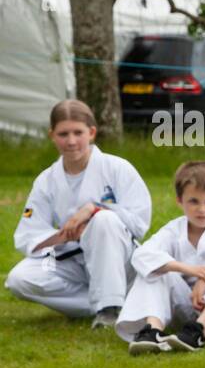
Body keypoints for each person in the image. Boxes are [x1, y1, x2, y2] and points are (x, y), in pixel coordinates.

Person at [7, 99, 151, 329]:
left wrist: (94, 209)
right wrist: (64, 235)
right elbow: (28, 234)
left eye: (78, 132)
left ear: (92, 133)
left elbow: (139, 223)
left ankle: (110, 310)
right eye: (63, 134)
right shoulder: (47, 180)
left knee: (103, 220)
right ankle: (108, 301)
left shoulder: (117, 168)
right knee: (20, 279)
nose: (71, 141)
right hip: (71, 258)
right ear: (52, 135)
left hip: (119, 259)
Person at [116, 161, 205, 354]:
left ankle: (199, 330)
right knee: (154, 270)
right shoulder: (173, 229)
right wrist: (188, 269)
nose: (202, 209)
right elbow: (142, 255)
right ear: (179, 200)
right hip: (187, 303)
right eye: (194, 201)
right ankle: (153, 330)